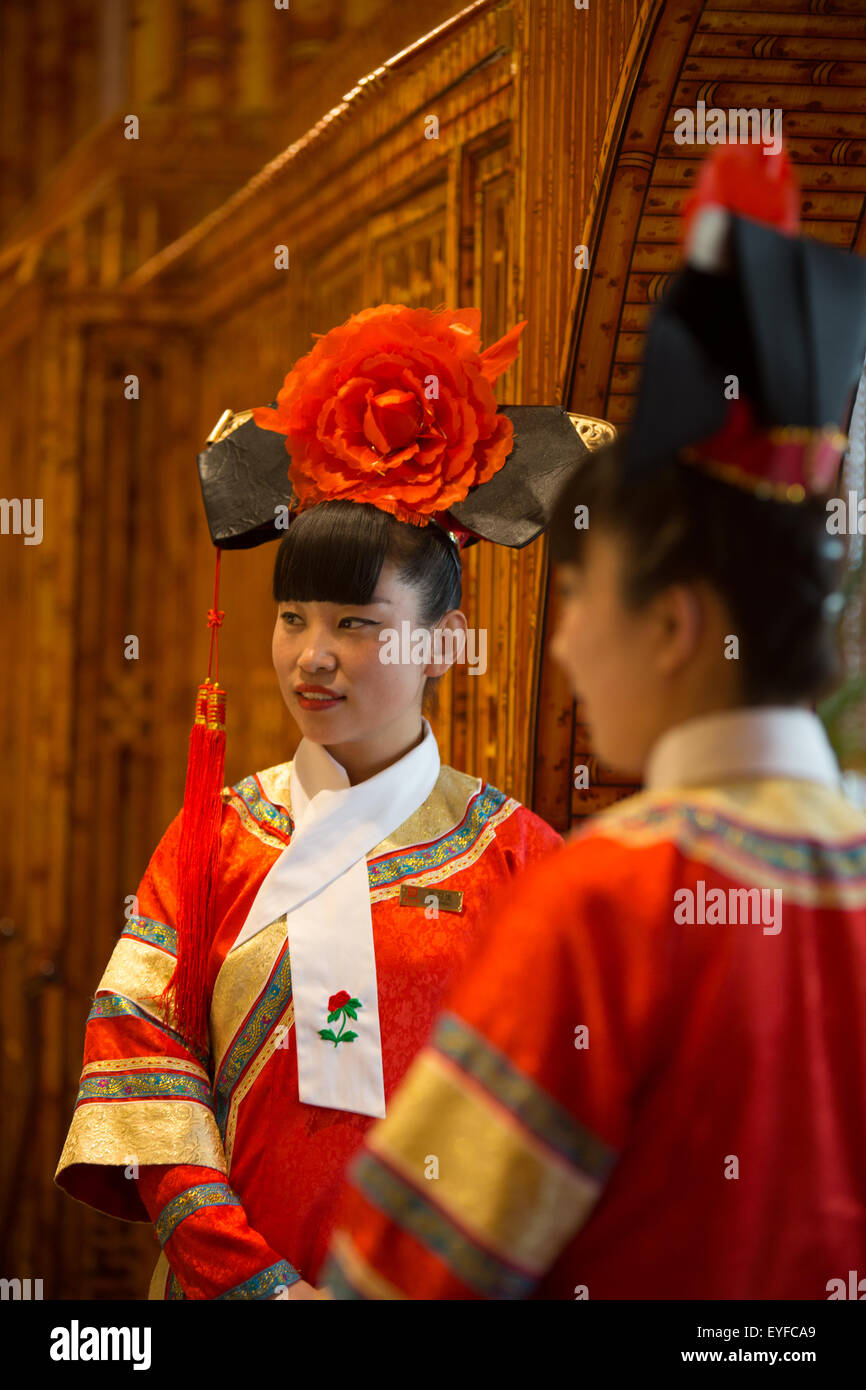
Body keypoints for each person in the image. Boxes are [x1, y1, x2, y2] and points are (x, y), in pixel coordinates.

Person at [322, 146, 866, 1300]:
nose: (558, 643)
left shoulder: (613, 898)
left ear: (672, 621)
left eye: (575, 596)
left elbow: (402, 1277)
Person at [54, 303, 589, 1299]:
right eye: (292, 616)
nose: (311, 655)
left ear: (439, 641)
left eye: (355, 622)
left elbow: (573, 1115)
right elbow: (142, 1060)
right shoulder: (216, 836)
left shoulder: (516, 857)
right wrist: (253, 1282)